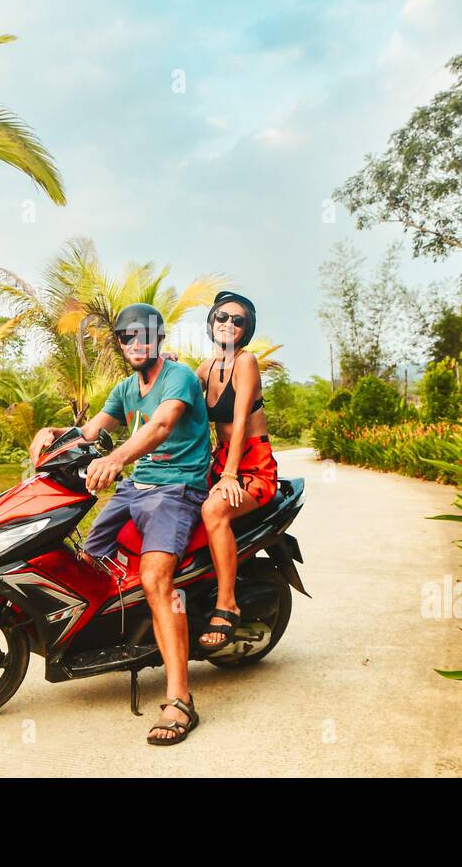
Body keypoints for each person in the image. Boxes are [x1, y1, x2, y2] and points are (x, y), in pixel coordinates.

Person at [27, 303, 210, 745]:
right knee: (89, 557)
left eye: (143, 335)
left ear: (159, 339)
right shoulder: (127, 388)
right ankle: (119, 635)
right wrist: (53, 434)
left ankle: (180, 698)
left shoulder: (178, 378)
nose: (135, 343)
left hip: (177, 489)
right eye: (127, 337)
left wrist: (116, 458)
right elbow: (89, 430)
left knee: (156, 579)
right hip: (136, 488)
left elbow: (162, 425)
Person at [194, 291, 278, 653]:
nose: (228, 323)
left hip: (252, 466)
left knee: (214, 510)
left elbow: (240, 421)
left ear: (246, 329)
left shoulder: (246, 362)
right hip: (221, 460)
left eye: (237, 320)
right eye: (222, 317)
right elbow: (176, 404)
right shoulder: (204, 368)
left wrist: (229, 475)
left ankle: (227, 603)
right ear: (212, 322)